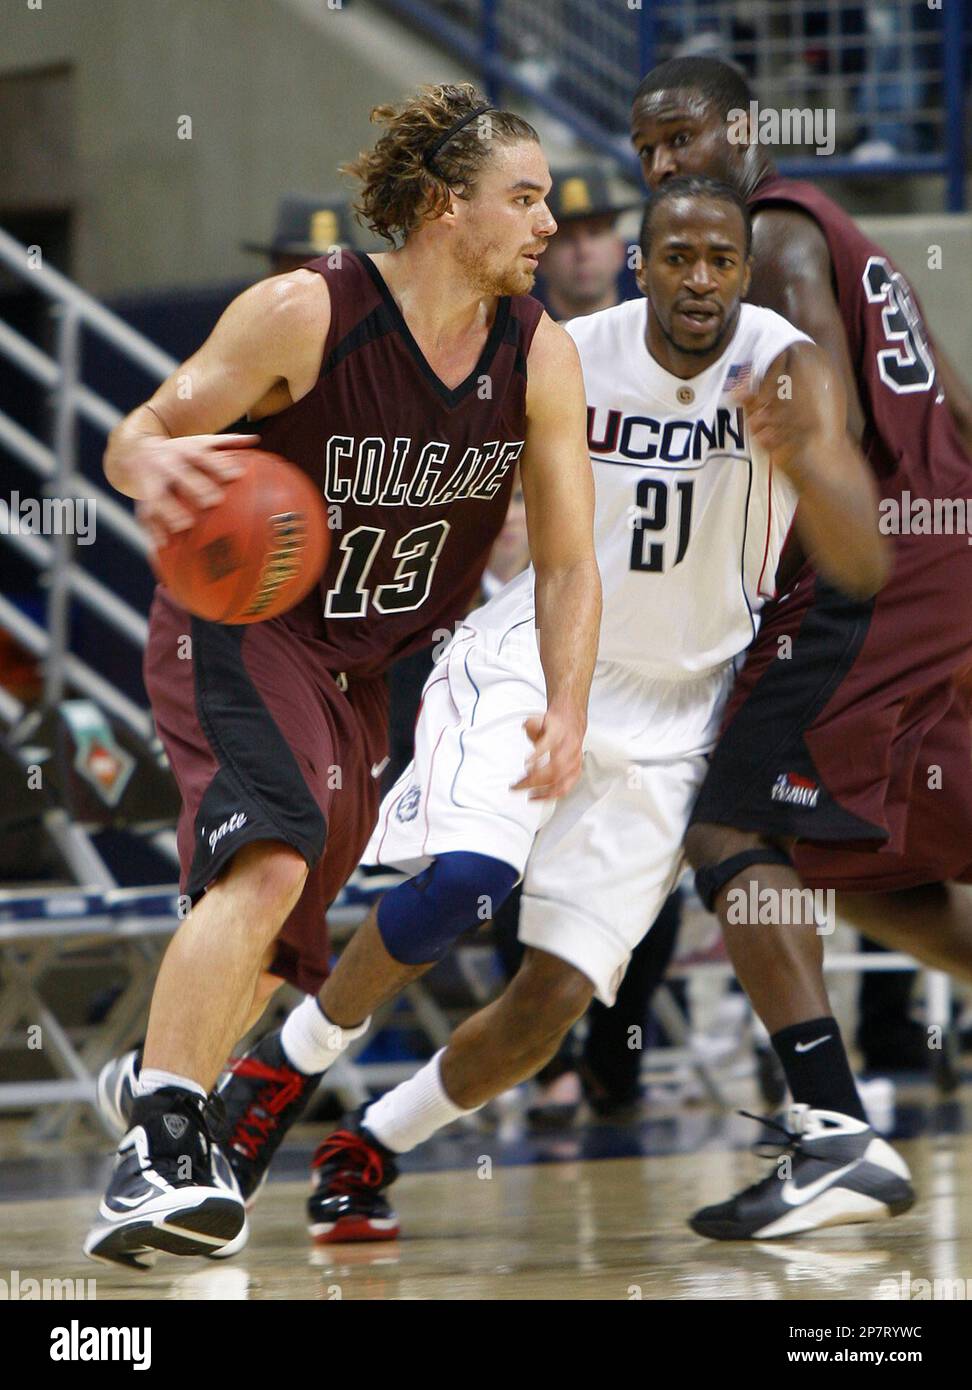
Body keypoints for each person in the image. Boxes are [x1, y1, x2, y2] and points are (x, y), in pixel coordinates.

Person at [214, 175, 895, 1245]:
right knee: (469, 881)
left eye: (722, 259)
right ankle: (279, 1070)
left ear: (746, 271)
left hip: (677, 711)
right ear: (641, 262)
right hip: (539, 654)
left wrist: (807, 454)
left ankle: (374, 1143)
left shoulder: (787, 367)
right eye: (678, 257)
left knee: (555, 998)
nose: (701, 279)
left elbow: (863, 560)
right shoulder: (570, 352)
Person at [83, 81, 601, 1268]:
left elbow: (569, 565)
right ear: (441, 207)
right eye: (520, 199)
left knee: (283, 940)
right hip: (241, 624)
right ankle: (160, 1139)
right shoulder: (307, 313)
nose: (546, 225)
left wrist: (566, 702)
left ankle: (163, 1072)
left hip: (364, 670)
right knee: (271, 852)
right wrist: (147, 469)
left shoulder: (540, 355)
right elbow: (138, 433)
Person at [629, 56, 972, 1240]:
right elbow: (957, 405)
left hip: (868, 573)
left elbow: (815, 408)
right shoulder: (844, 228)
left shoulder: (773, 240)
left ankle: (833, 1132)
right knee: (873, 860)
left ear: (746, 129)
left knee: (735, 822)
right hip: (947, 556)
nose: (670, 162)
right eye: (650, 150)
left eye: (685, 136)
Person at [532, 166, 636, 320]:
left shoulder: (649, 313)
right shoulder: (518, 326)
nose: (583, 251)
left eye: (595, 233)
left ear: (619, 249)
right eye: (565, 238)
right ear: (540, 258)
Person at [241, 194, 360, 275]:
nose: (314, 281)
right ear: (275, 270)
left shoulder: (372, 309)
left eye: (332, 269)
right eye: (300, 269)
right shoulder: (240, 305)